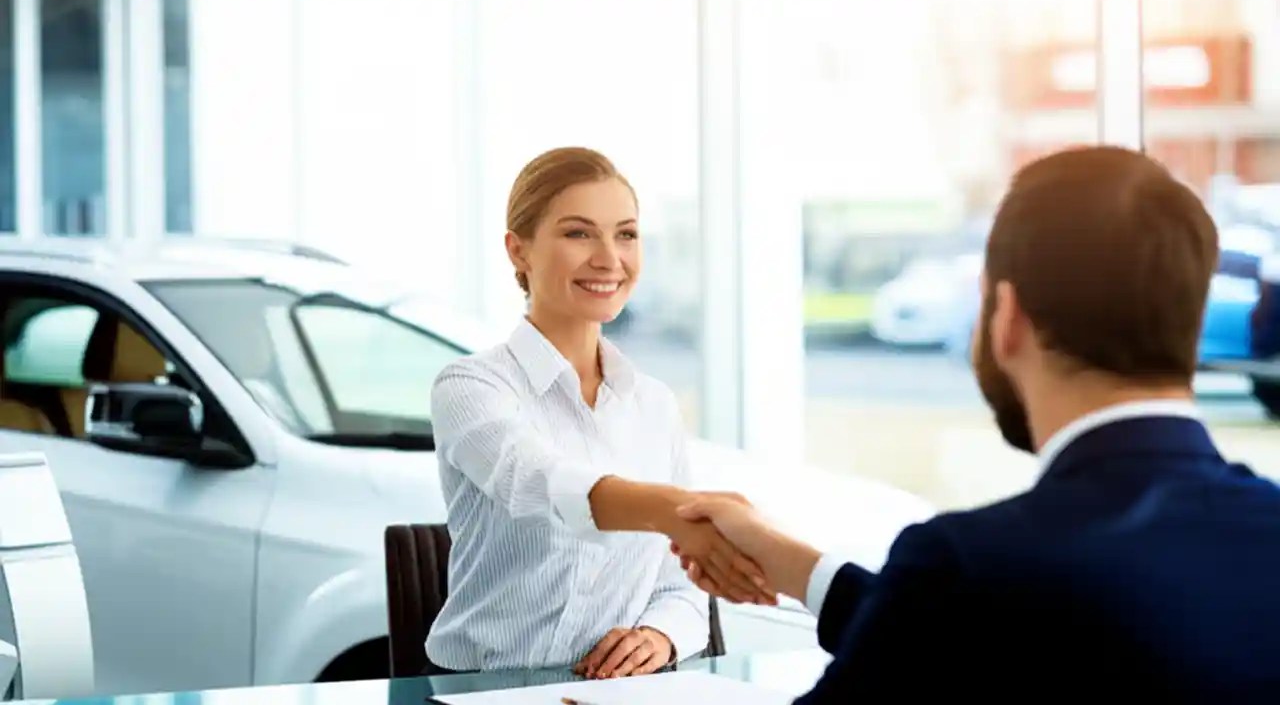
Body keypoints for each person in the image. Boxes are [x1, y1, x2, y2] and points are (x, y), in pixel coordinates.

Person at [675, 146, 1280, 701]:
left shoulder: (969, 570)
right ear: (1192, 321)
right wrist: (794, 564)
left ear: (1007, 316)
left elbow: (966, 624)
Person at [426, 147, 774, 678]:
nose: (609, 257)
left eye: (626, 234)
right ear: (518, 251)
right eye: (578, 233)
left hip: (615, 694)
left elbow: (678, 587)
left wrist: (658, 637)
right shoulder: (472, 386)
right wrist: (675, 508)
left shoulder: (653, 404)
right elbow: (537, 482)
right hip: (484, 692)